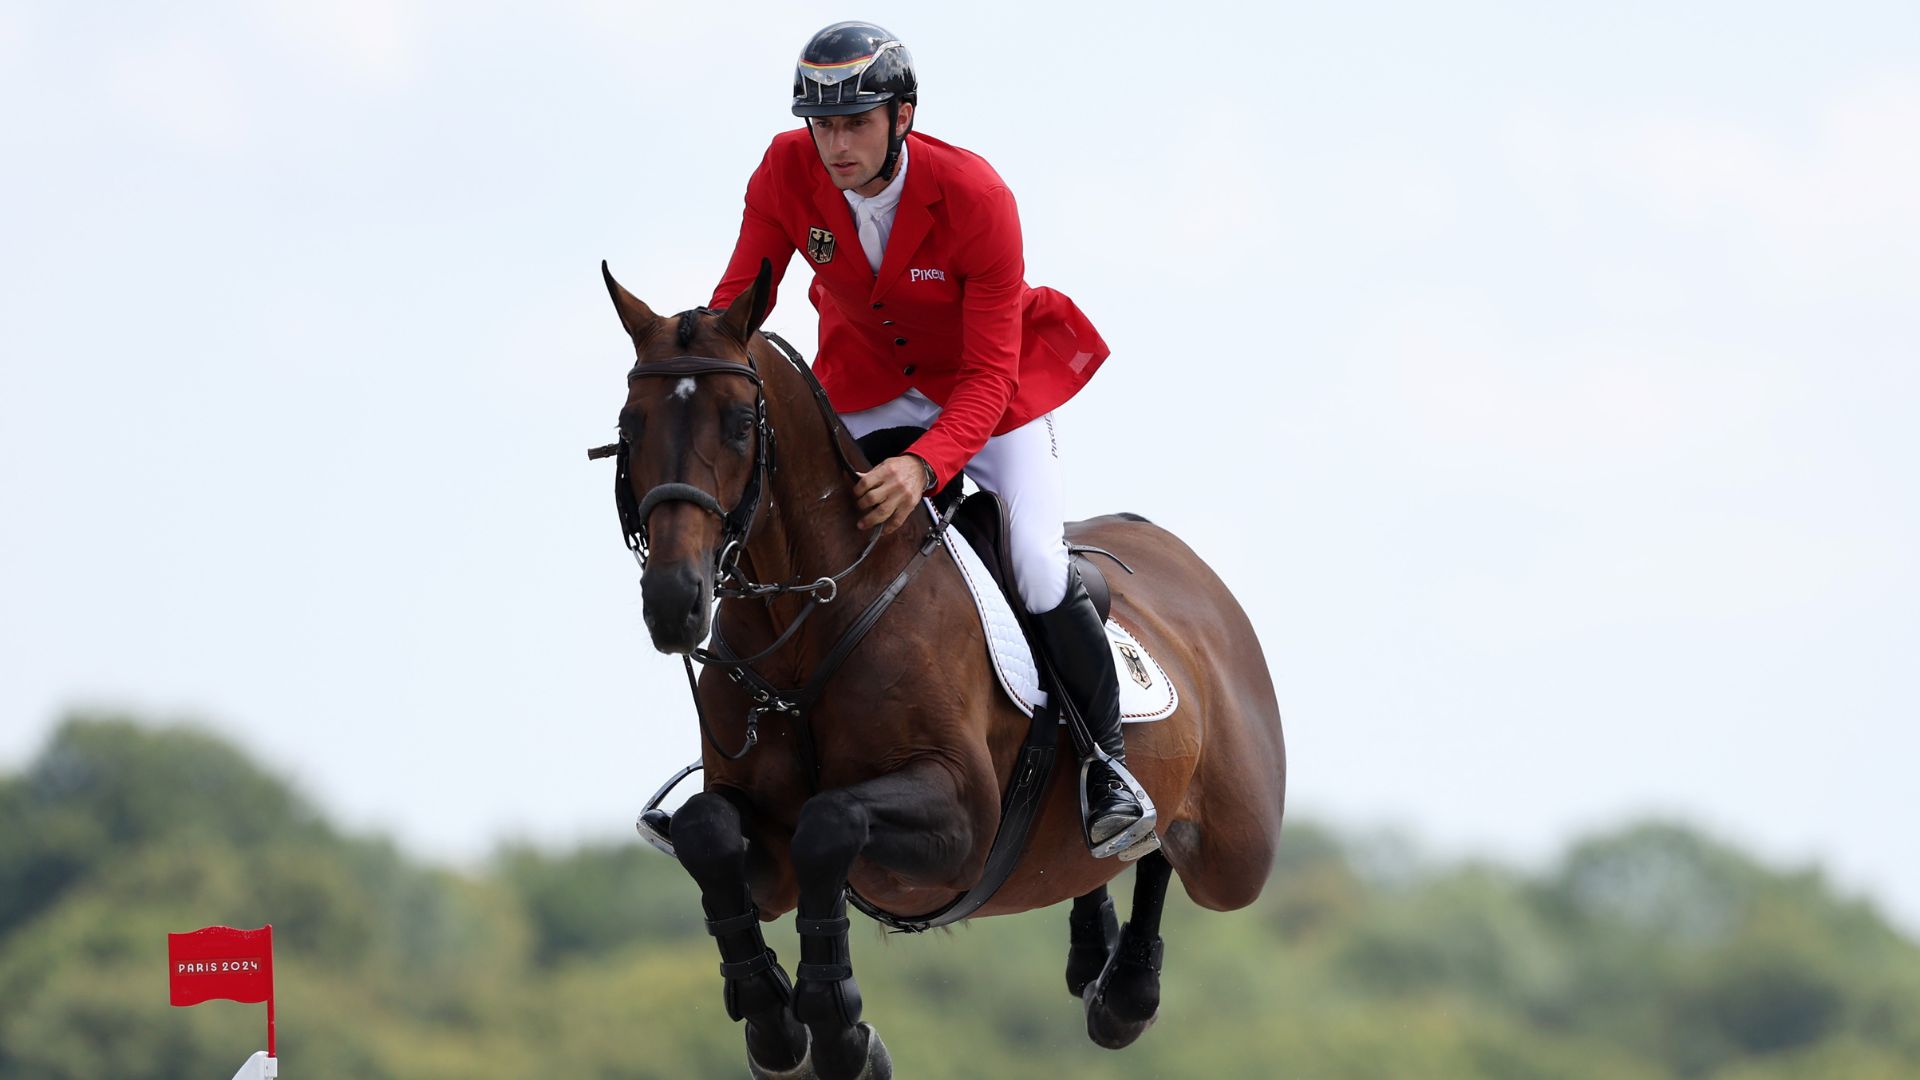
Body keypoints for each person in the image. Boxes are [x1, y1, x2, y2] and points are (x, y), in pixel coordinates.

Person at [707, 21, 1145, 855]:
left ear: (902, 116)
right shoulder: (784, 170)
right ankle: (734, 772)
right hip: (862, 389)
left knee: (1036, 563)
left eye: (854, 123)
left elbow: (987, 375)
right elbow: (740, 303)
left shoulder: (977, 196)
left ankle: (1106, 766)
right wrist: (691, 360)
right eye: (822, 125)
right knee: (781, 534)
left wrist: (925, 464)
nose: (835, 145)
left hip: (987, 398)